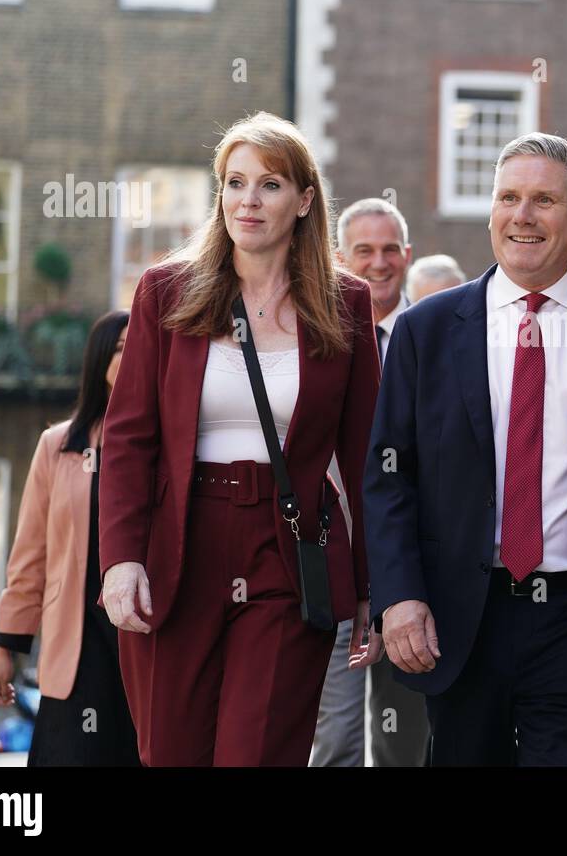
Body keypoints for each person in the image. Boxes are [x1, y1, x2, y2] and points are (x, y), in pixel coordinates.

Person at [365, 132, 567, 766]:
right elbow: (389, 478)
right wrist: (399, 595)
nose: (523, 216)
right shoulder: (428, 329)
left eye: (544, 199)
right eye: (508, 197)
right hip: (460, 620)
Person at [98, 111, 383, 766]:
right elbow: (128, 438)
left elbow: (368, 454)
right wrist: (120, 559)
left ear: (305, 200)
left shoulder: (346, 304)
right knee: (172, 751)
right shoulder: (165, 292)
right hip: (177, 546)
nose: (248, 201)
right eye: (234, 182)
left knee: (255, 753)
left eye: (270, 185)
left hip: (287, 550)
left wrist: (375, 582)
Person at [0, 310, 139, 766]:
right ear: (99, 363)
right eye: (121, 347)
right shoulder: (58, 446)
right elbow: (30, 556)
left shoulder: (170, 445)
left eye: (143, 345)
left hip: (143, 646)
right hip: (76, 648)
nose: (134, 356)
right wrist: (6, 647)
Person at [312, 196, 430, 768]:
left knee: (404, 738)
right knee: (332, 737)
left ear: (407, 256)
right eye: (364, 251)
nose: (378, 263)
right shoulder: (315, 339)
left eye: (390, 250)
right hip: (333, 555)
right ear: (338, 258)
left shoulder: (435, 333)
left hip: (415, 562)